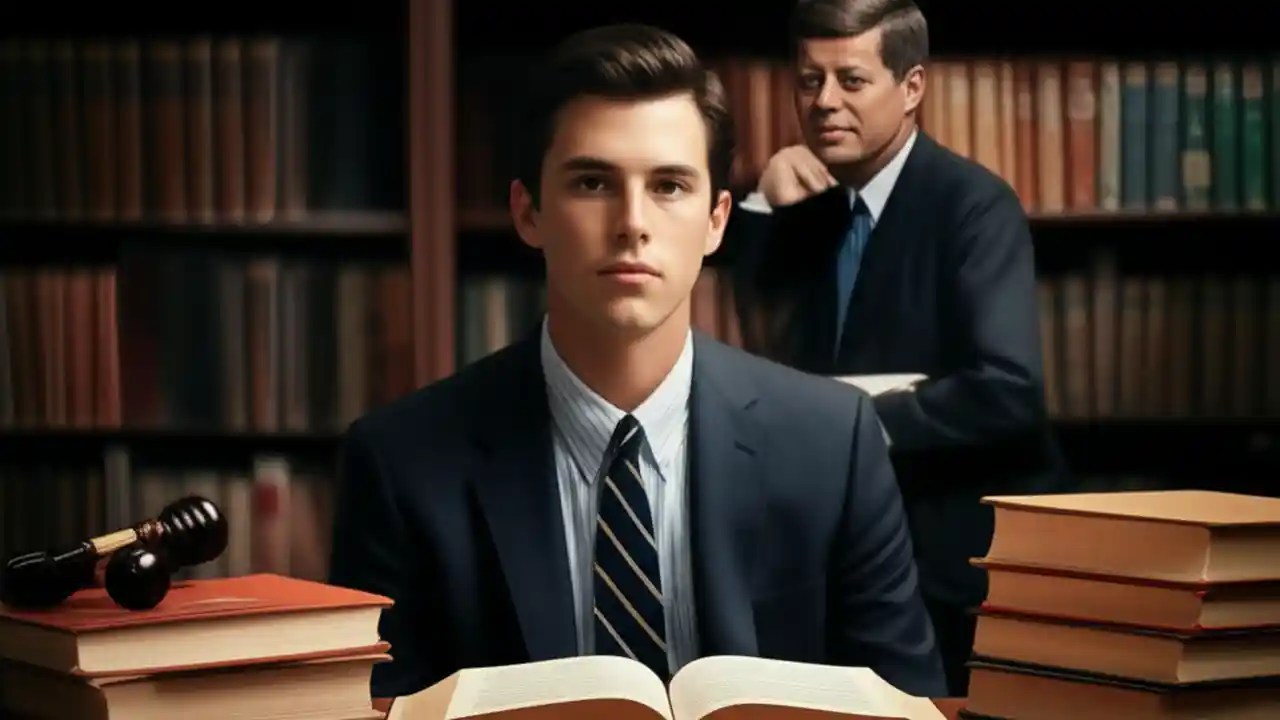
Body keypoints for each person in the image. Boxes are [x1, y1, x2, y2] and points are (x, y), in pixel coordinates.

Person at [328, 22, 947, 713]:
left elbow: (907, 704)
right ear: (528, 211)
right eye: (593, 182)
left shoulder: (835, 442)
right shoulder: (401, 462)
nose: (632, 223)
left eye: (669, 186)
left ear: (716, 221)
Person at [722, 0, 1070, 696]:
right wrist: (760, 199)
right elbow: (762, 336)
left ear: (911, 89)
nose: (824, 103)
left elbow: (1008, 390)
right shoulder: (814, 205)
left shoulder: (972, 204)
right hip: (843, 554)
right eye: (808, 81)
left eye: (851, 81)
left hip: (956, 562)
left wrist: (851, 423)